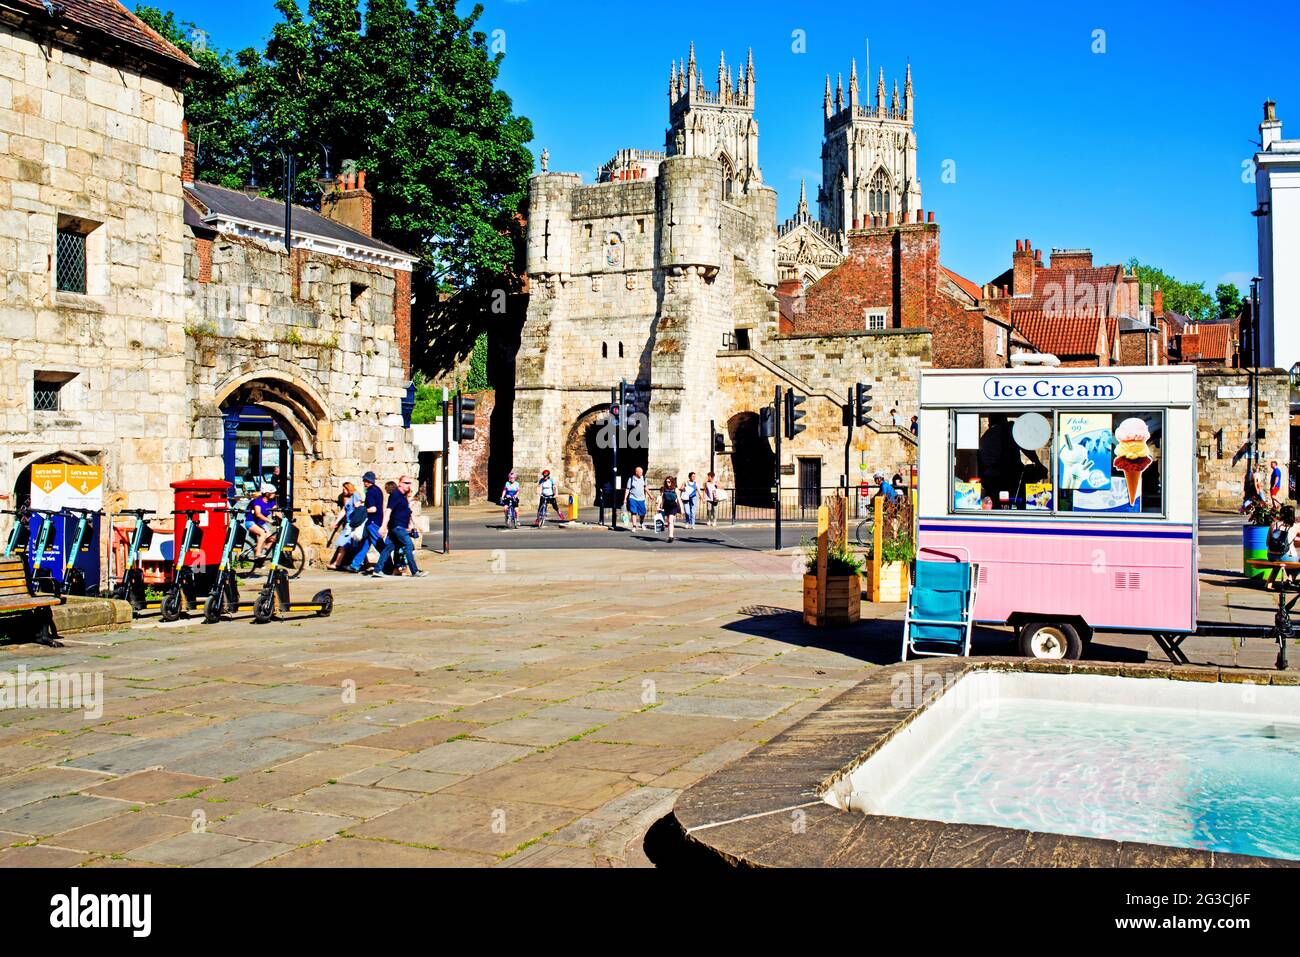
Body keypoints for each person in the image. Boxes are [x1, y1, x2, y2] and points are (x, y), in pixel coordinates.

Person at [978, 412, 1040, 509]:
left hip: (991, 480)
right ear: (1004, 420)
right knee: (1014, 505)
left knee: (996, 506)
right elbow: (1026, 446)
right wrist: (1037, 462)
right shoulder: (1009, 429)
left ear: (990, 422)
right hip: (1009, 476)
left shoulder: (985, 437)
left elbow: (980, 460)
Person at [375, 475, 426, 579]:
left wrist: (416, 526)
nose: (409, 485)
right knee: (409, 545)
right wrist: (383, 526)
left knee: (390, 547)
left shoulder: (402, 497)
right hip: (398, 527)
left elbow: (407, 513)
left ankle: (377, 569)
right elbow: (388, 511)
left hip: (399, 527)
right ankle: (414, 571)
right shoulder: (395, 495)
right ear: (400, 484)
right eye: (406, 483)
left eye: (410, 483)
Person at [346, 471, 385, 573]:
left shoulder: (370, 492)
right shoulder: (378, 490)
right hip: (376, 521)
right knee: (365, 544)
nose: (363, 482)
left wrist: (362, 509)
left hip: (373, 522)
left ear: (368, 481)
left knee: (379, 545)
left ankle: (388, 565)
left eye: (364, 480)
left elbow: (373, 509)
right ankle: (355, 565)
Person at [328, 482, 363, 569]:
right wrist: (336, 522)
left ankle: (337, 563)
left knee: (345, 543)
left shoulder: (356, 495)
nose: (343, 491)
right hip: (349, 524)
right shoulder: (349, 498)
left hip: (352, 524)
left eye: (344, 489)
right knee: (351, 544)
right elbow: (344, 510)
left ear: (348, 488)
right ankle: (366, 564)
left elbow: (359, 507)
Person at [244, 483, 277, 560]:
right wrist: (270, 521)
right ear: (267, 493)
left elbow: (276, 510)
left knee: (272, 540)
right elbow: (258, 514)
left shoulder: (271, 502)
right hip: (251, 522)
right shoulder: (257, 502)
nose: (274, 494)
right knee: (263, 533)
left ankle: (261, 551)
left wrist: (284, 519)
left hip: (261, 523)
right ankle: (257, 554)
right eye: (273, 493)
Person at [659, 475, 681, 542]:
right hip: (666, 506)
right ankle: (670, 535)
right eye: (666, 481)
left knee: (670, 520)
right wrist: (659, 506)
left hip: (673, 506)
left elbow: (679, 499)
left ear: (672, 482)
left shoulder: (675, 489)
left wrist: (681, 508)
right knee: (668, 521)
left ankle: (671, 536)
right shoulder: (664, 489)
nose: (667, 483)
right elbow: (662, 499)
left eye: (669, 481)